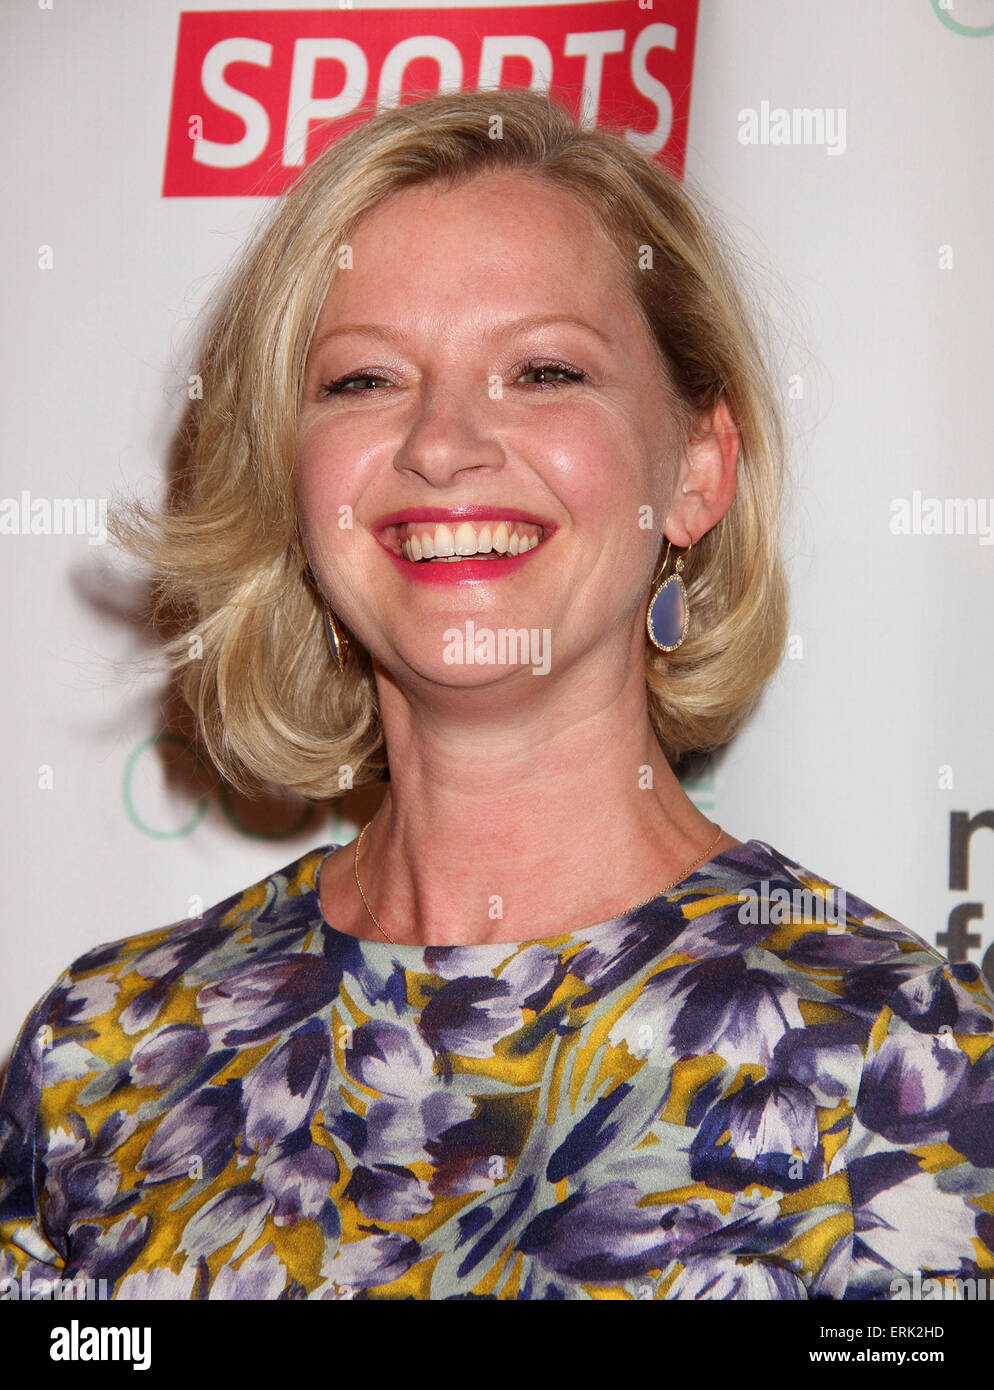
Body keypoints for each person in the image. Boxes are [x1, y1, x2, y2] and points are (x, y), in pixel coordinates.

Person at [1, 87, 992, 1303]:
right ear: (293, 482)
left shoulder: (905, 1058)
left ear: (694, 469)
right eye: (362, 380)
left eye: (542, 368)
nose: (442, 442)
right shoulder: (104, 1052)